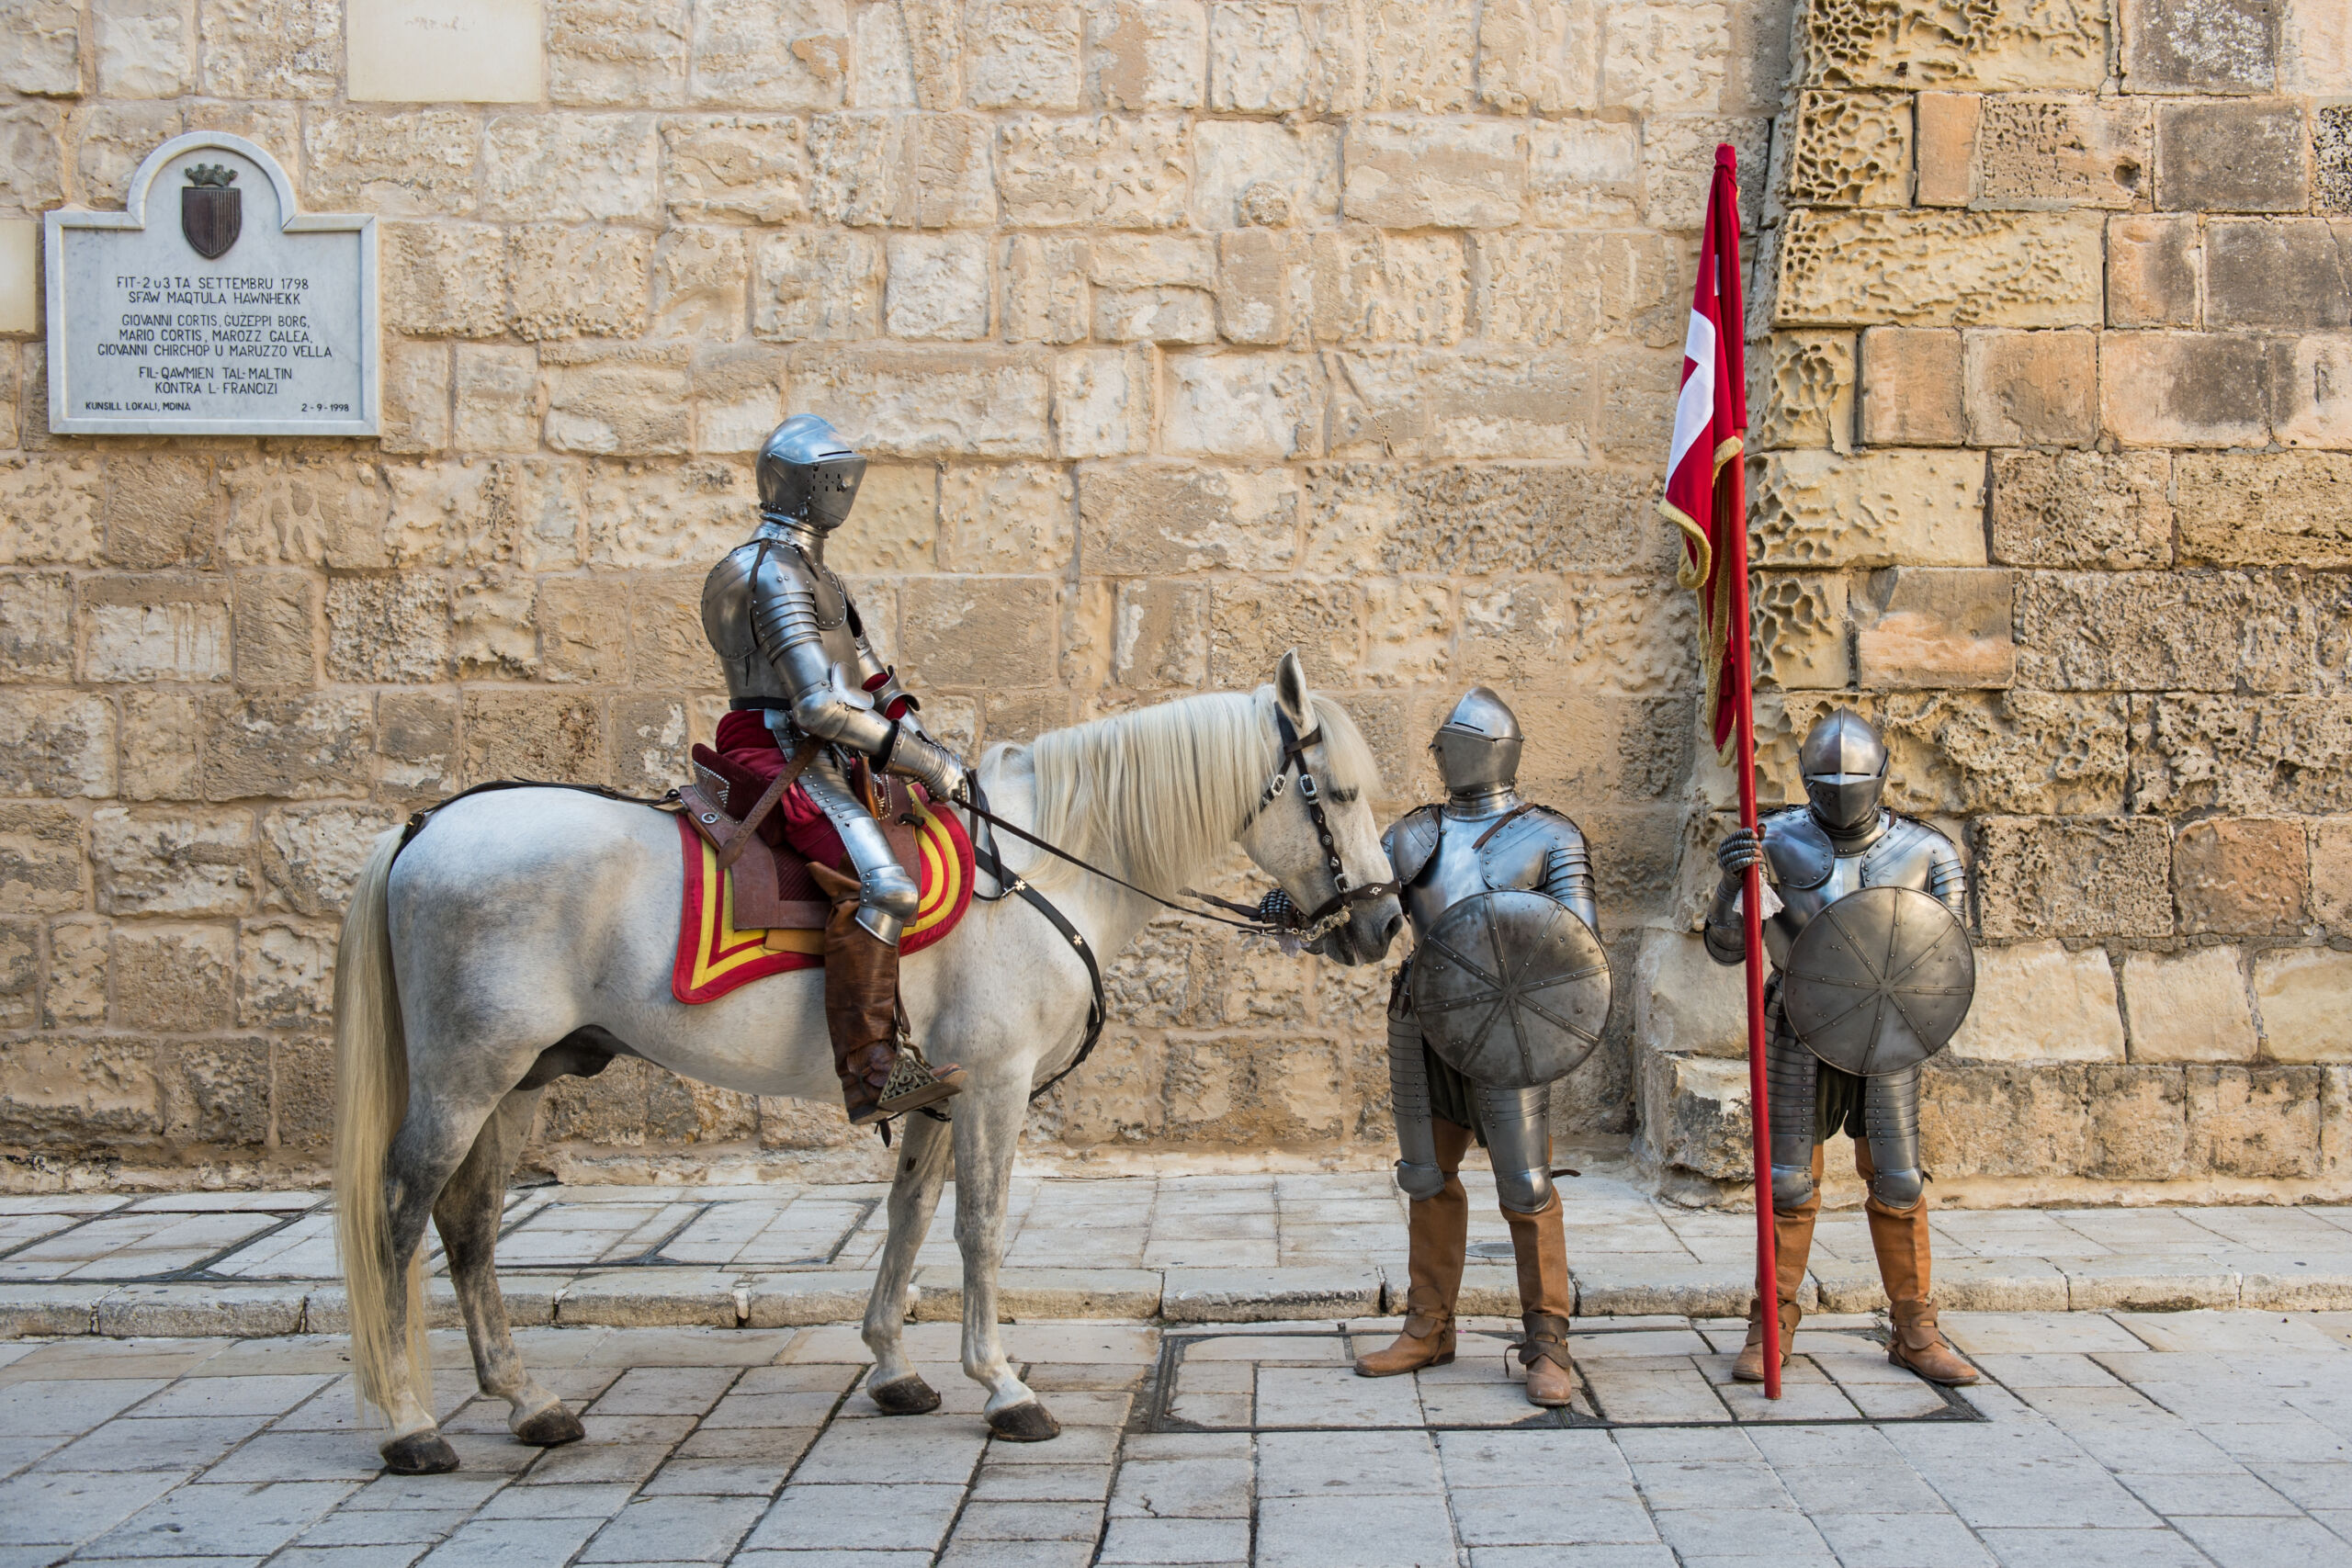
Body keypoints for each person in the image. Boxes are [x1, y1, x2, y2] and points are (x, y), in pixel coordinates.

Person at [700, 415, 971, 1125]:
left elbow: (872, 678)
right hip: (780, 744)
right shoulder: (766, 569)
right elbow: (818, 705)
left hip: (832, 745)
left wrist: (927, 745)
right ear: (805, 483)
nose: (844, 488)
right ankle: (874, 1072)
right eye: (835, 476)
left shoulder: (820, 571)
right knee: (886, 885)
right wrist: (920, 760)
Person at [1707, 708, 1978, 1386]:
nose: (1838, 796)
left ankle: (1915, 1327)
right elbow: (1727, 947)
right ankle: (1771, 1323)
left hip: (1890, 1028)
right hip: (1799, 1019)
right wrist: (1729, 884)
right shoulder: (1773, 842)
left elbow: (1950, 960)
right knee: (1788, 1180)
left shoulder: (1929, 852)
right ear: (1805, 781)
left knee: (1898, 1177)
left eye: (1851, 783)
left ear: (1882, 777)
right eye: (1824, 784)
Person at [1354, 688, 1597, 1407]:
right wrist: (1308, 911)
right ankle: (1429, 1326)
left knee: (1525, 1185)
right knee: (1424, 1175)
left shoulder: (1552, 836)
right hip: (1422, 1019)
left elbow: (1576, 952)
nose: (1439, 750)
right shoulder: (1409, 835)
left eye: (1449, 739)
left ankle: (1547, 1342)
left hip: (1507, 1024)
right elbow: (1366, 937)